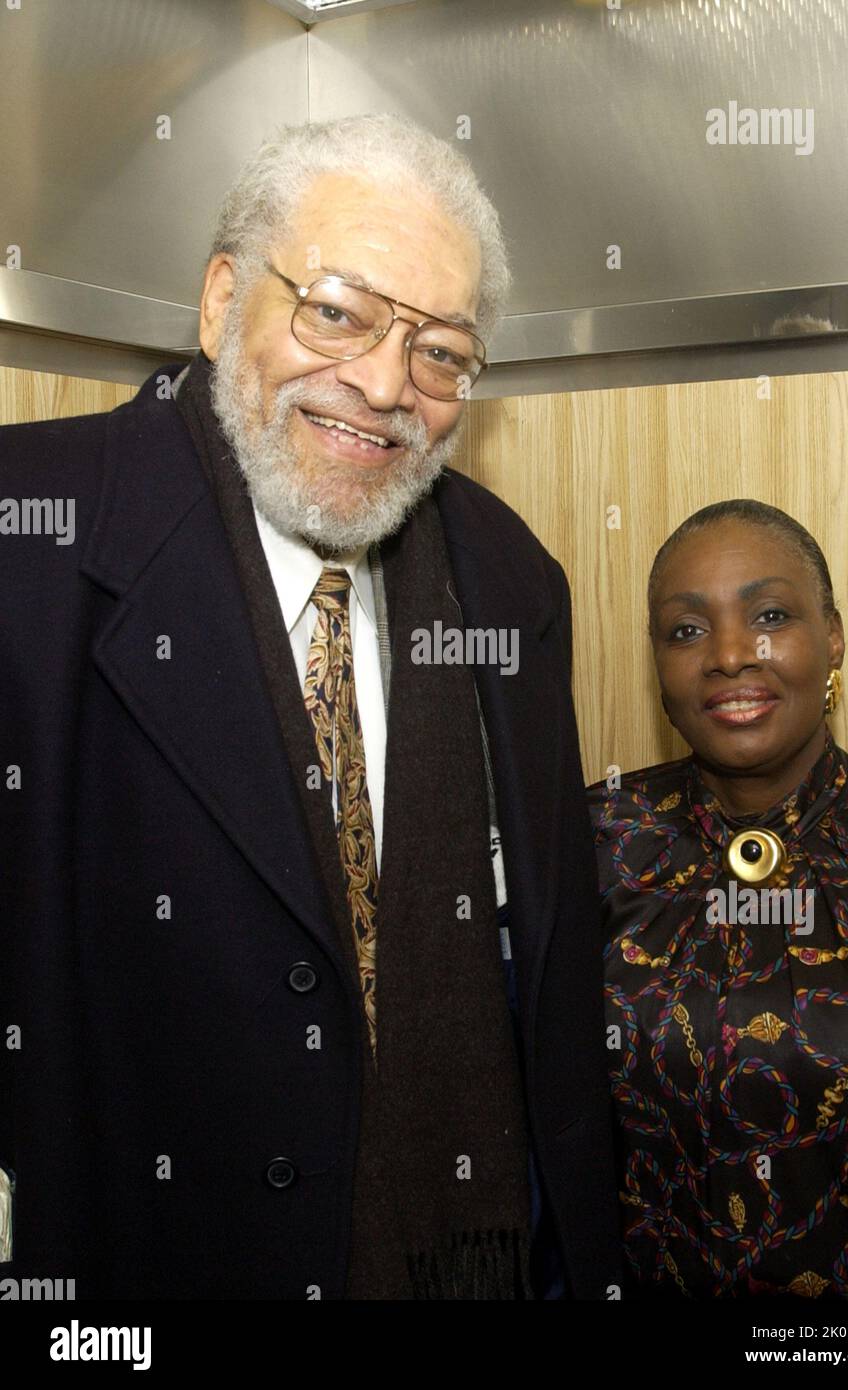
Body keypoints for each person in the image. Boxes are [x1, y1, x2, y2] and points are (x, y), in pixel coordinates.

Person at [0, 113, 619, 1300]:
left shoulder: (511, 582)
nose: (384, 386)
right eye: (336, 310)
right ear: (224, 298)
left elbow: (546, 999)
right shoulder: (30, 538)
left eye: (441, 351)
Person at [588, 499, 848, 1298]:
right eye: (686, 630)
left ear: (834, 635)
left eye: (771, 615)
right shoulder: (587, 846)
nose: (732, 655)